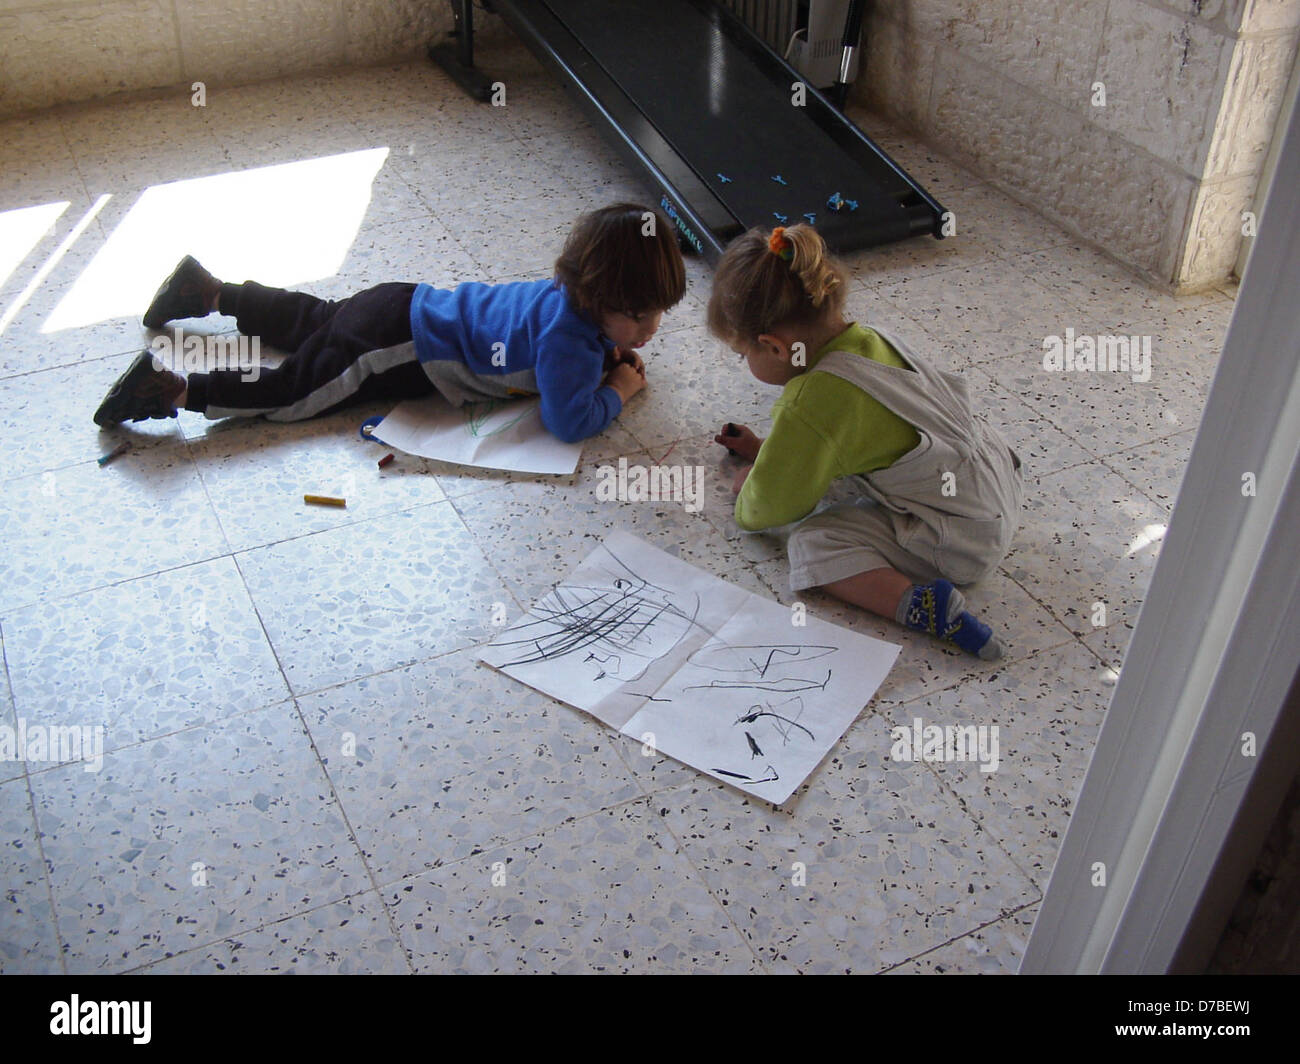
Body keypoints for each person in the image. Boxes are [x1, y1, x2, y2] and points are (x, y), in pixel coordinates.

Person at [93, 203, 685, 444]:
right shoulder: (571, 346)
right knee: (296, 389)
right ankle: (171, 388)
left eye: (658, 312)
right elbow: (567, 421)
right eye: (639, 315)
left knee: (314, 321)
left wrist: (612, 344)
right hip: (397, 342)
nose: (652, 328)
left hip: (400, 301)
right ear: (597, 297)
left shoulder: (563, 295)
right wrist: (618, 389)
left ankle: (210, 290)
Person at [709, 224, 1024, 659]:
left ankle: (918, 605)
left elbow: (770, 508)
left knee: (813, 541)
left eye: (744, 355)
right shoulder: (869, 340)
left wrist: (748, 491)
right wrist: (768, 450)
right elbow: (852, 439)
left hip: (960, 542)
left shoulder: (811, 401)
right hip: (995, 489)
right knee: (841, 481)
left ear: (774, 347)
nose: (746, 363)